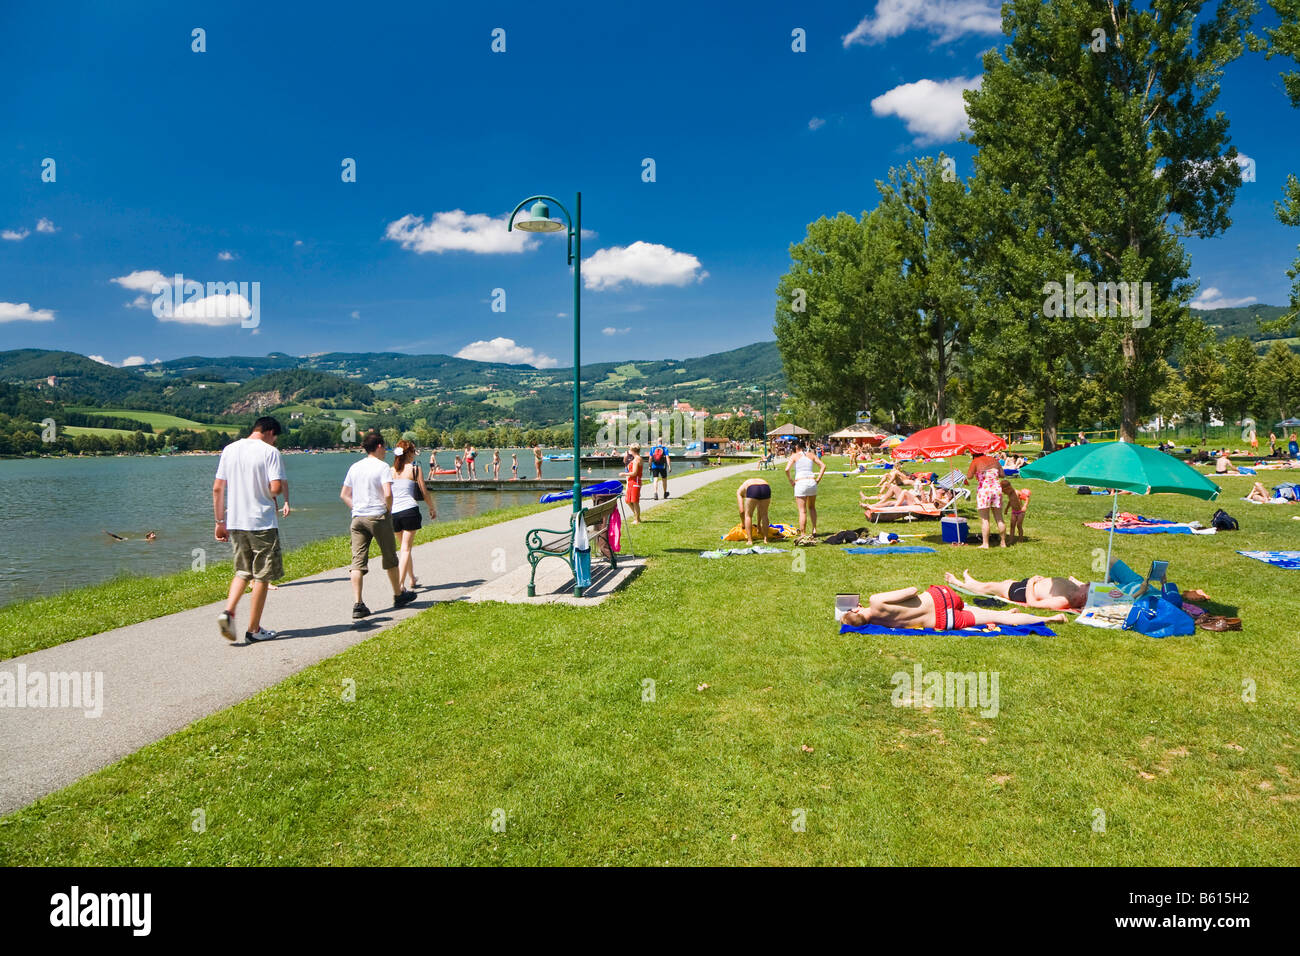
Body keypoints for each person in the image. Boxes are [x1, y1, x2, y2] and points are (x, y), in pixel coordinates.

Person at [213, 416, 288, 644]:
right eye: (275, 438)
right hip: (262, 522)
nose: (274, 442)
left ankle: (228, 611)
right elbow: (275, 488)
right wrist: (267, 492)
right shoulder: (269, 452)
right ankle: (254, 629)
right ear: (270, 432)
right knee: (262, 576)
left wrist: (219, 522)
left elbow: (217, 488)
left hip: (235, 521)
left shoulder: (229, 449)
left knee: (242, 571)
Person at [341, 432, 415, 620]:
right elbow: (388, 494)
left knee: (357, 562)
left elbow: (344, 494)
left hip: (358, 518)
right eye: (385, 448)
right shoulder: (382, 467)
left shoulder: (355, 467)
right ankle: (398, 595)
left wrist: (356, 508)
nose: (386, 452)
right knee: (390, 557)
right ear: (380, 446)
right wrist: (387, 510)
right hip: (378, 516)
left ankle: (358, 604)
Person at [841, 584, 1066, 629]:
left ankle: (1049, 620)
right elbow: (911, 591)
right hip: (942, 598)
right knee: (967, 607)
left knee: (997, 619)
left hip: (943, 621)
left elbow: (857, 619)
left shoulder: (879, 622)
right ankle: (1048, 619)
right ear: (857, 609)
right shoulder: (876, 601)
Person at [390, 439, 436, 591]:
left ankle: (412, 578)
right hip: (409, 511)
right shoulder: (415, 469)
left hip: (394, 514)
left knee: (403, 548)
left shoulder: (390, 471)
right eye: (414, 451)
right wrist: (431, 508)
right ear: (408, 453)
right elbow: (424, 491)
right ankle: (400, 585)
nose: (415, 454)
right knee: (406, 549)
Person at [945, 569, 1088, 611]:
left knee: (990, 587)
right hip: (1029, 585)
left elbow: (1032, 604)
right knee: (1003, 583)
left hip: (1023, 591)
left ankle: (960, 583)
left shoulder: (1063, 601)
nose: (1087, 586)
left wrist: (1031, 582)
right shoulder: (1079, 589)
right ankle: (972, 582)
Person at [967, 453, 1007, 548]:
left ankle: (985, 544)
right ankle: (1003, 543)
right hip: (996, 490)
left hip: (984, 491)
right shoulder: (994, 460)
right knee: (999, 518)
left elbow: (969, 476)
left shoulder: (976, 461)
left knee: (985, 519)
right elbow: (1002, 474)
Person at [786, 440, 825, 536]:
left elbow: (787, 469)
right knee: (812, 507)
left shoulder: (794, 456)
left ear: (796, 447)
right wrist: (818, 479)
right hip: (811, 482)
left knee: (802, 511)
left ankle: (803, 533)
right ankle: (814, 529)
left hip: (800, 482)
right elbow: (823, 466)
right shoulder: (811, 454)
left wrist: (791, 480)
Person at [736, 477, 772, 547]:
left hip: (752, 488)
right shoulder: (750, 483)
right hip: (766, 487)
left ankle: (750, 541)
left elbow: (741, 511)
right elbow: (759, 508)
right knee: (764, 514)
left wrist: (743, 524)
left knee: (748, 515)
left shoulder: (739, 492)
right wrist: (758, 525)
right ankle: (766, 539)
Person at [623, 443, 644, 524]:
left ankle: (637, 519)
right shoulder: (636, 458)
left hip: (635, 481)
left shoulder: (636, 459)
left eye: (630, 449)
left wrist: (624, 474)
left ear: (633, 451)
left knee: (635, 501)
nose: (629, 451)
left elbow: (634, 473)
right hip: (632, 481)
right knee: (628, 500)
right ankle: (636, 516)